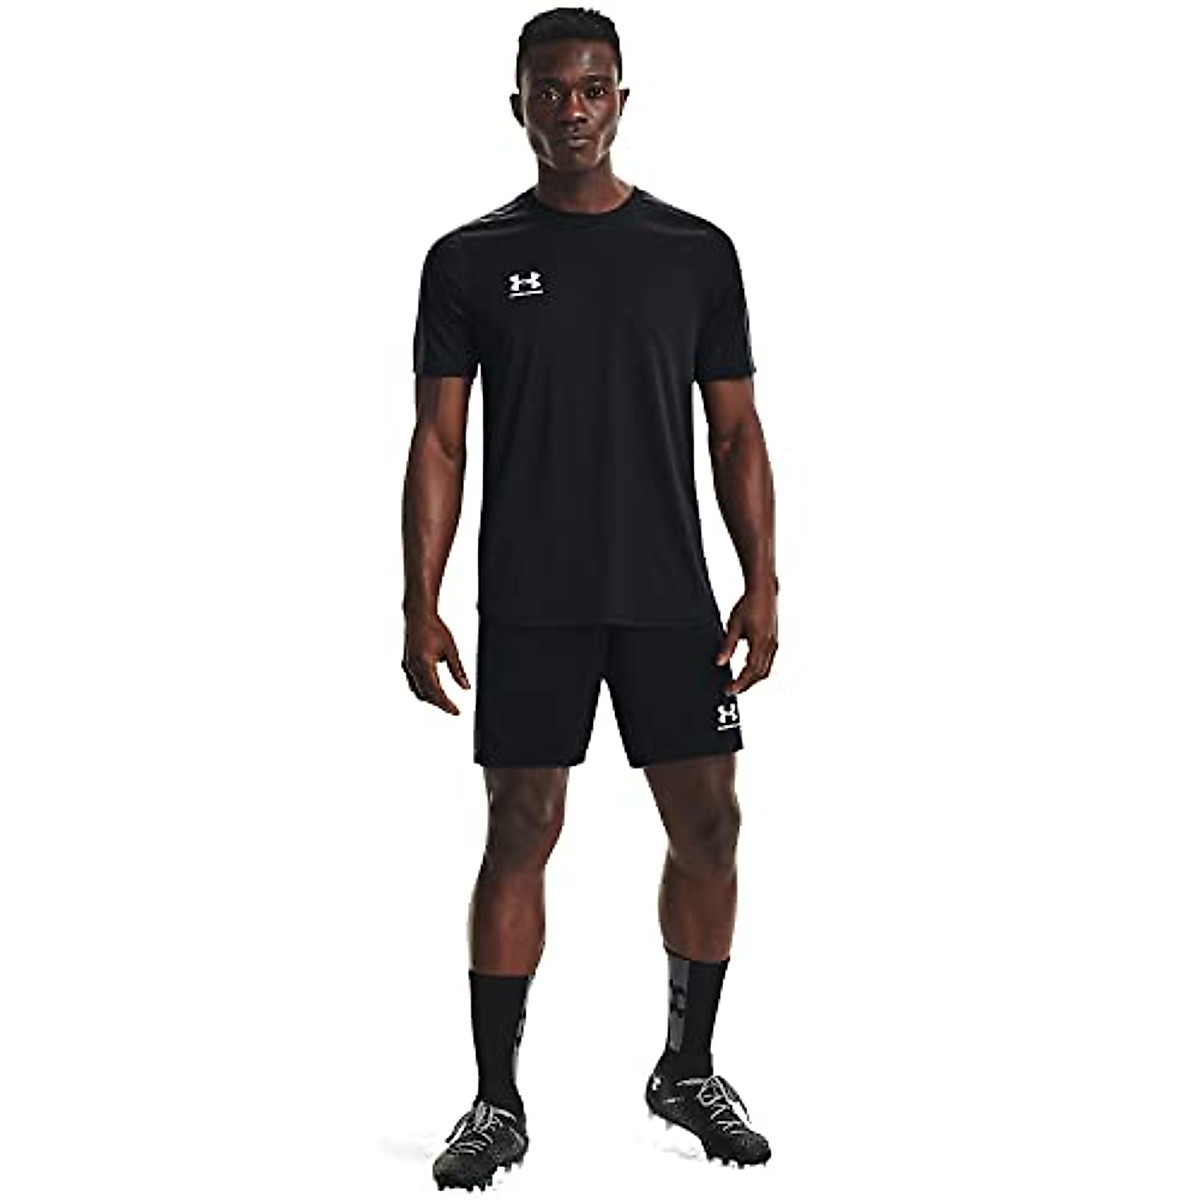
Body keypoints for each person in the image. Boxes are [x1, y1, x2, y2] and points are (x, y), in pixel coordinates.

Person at [404, 7, 779, 1190]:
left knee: (710, 827)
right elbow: (440, 443)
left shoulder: (696, 253)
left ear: (623, 99)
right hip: (533, 597)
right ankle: (496, 1100)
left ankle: (687, 1069)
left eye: (593, 87)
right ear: (518, 103)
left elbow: (735, 433)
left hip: (669, 592)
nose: (572, 108)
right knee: (520, 828)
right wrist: (419, 600)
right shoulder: (467, 261)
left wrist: (762, 579)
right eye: (551, 89)